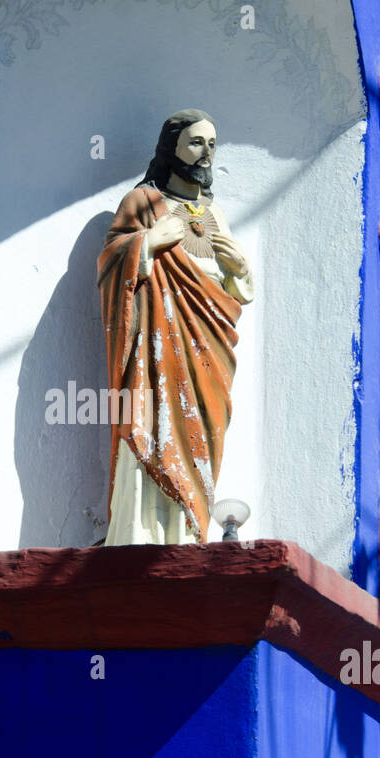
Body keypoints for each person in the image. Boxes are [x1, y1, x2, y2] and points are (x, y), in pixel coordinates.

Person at [97, 110, 254, 545]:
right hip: (156, 349)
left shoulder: (214, 215)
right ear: (172, 148)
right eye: (196, 142)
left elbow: (231, 293)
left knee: (204, 424)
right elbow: (111, 265)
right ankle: (142, 529)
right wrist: (149, 240)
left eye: (212, 144)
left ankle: (189, 527)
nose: (206, 153)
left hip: (210, 347)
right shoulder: (143, 202)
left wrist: (238, 268)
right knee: (156, 415)